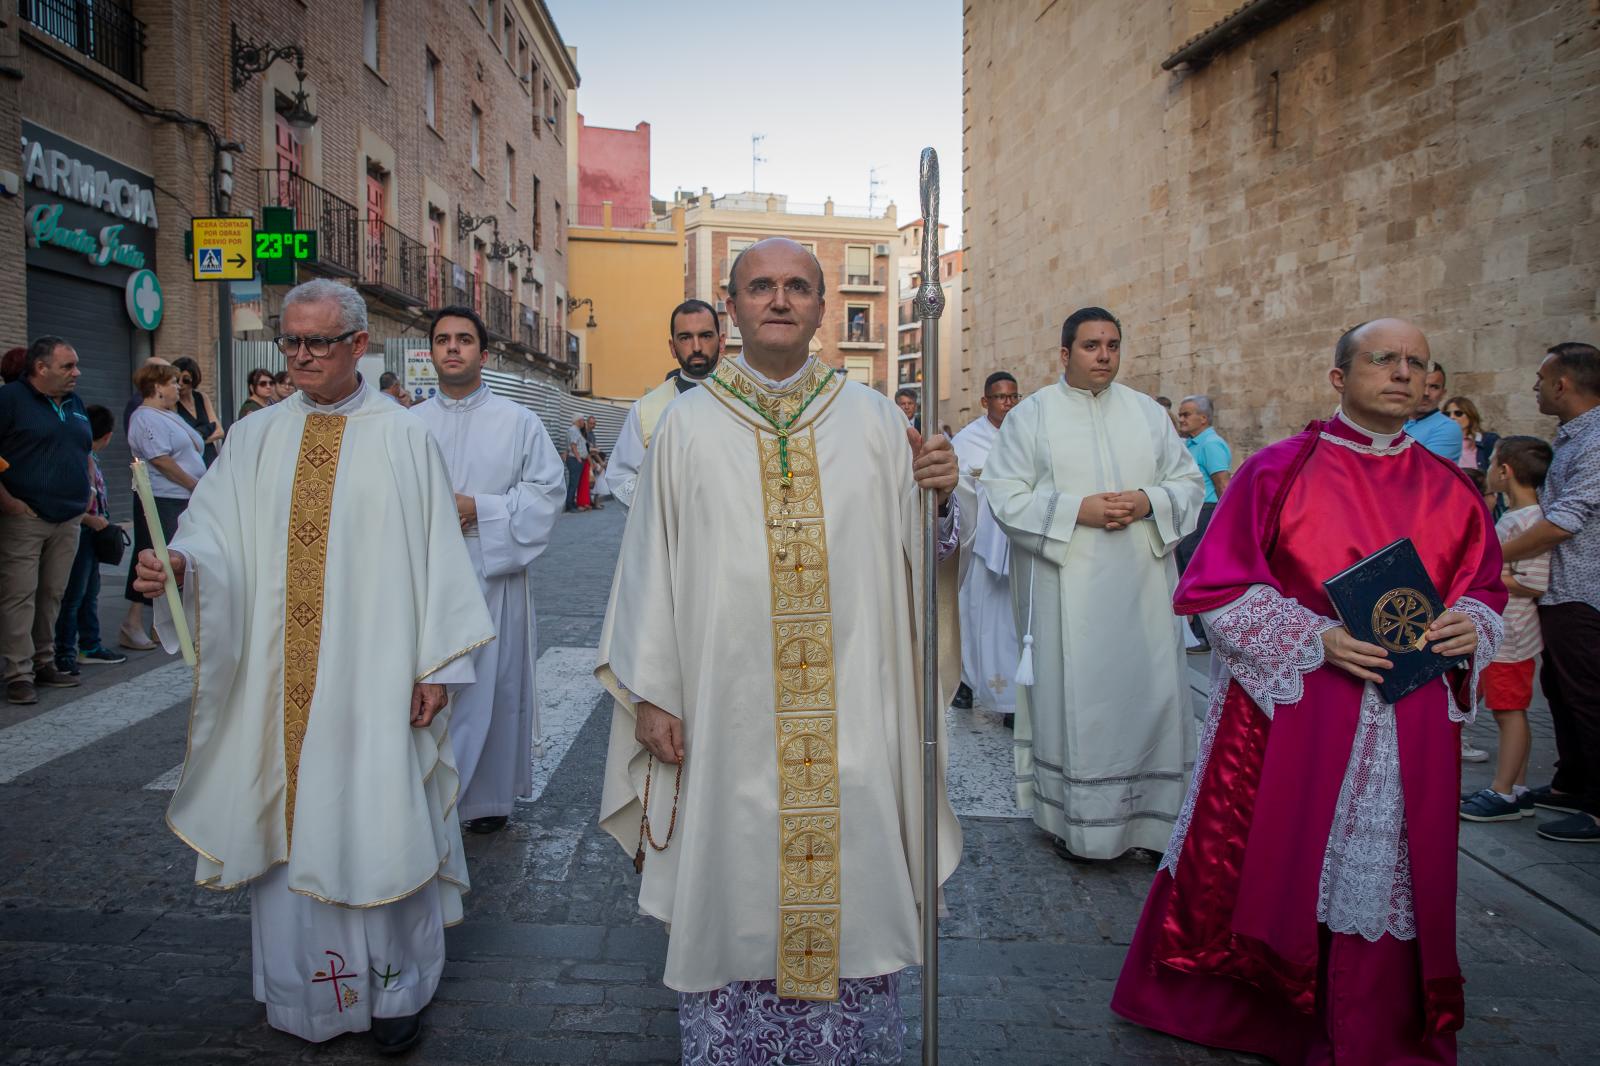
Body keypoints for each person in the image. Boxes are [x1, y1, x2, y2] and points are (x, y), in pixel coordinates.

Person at [597, 237, 967, 1062]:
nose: (779, 299)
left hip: (855, 708)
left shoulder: (875, 420)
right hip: (724, 710)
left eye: (798, 286)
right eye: (760, 285)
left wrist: (942, 500)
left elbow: (925, 555)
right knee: (733, 879)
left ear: (822, 309)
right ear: (730, 307)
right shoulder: (685, 427)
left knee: (857, 872)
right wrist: (653, 692)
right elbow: (649, 564)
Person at [1112, 318, 1506, 1065]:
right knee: (1271, 854)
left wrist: (1474, 625)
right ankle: (1254, 1014)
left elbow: (1483, 586)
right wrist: (1312, 638)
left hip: (1403, 717)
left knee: (1379, 868)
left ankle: (1374, 1024)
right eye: (1383, 359)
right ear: (1338, 378)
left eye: (1416, 363)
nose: (1402, 372)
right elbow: (1217, 585)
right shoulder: (1278, 471)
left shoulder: (1452, 489)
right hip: (1292, 708)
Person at [132, 278, 493, 1051]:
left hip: (376, 679)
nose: (299, 356)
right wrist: (183, 569)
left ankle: (398, 994)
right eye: (290, 342)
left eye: (316, 342)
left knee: (379, 816)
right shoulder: (257, 438)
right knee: (292, 820)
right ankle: (308, 997)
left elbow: (438, 559)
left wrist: (435, 668)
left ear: (358, 345)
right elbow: (213, 533)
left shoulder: (402, 437)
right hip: (279, 686)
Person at [982, 307, 1204, 862]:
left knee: (1148, 691)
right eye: (1090, 346)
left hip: (1142, 590)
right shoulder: (1031, 416)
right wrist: (1074, 510)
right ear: (1065, 354)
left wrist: (1148, 500)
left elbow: (1188, 483)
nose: (1103, 355)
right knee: (1077, 699)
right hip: (1067, 593)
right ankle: (1077, 825)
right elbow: (1005, 494)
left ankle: (1152, 825)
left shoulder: (1148, 415)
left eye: (1112, 345)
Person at [412, 306, 565, 834]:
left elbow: (548, 491)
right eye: (442, 340)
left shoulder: (518, 421)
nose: (452, 348)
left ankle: (484, 800)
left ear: (484, 352)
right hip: (423, 575)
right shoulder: (407, 425)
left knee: (491, 685)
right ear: (429, 351)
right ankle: (423, 791)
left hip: (491, 568)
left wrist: (481, 509)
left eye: (464, 340)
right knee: (427, 676)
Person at [1500, 341, 1600, 843]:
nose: (1534, 387)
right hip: (1560, 592)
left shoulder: (1597, 439)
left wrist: (1495, 557)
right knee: (1561, 692)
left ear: (1562, 384)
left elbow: (1565, 521)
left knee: (1588, 696)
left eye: (1540, 380)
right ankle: (1573, 783)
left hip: (1584, 591)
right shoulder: (1572, 437)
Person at [1461, 436, 1553, 821]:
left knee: (1509, 712)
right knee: (1509, 710)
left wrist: (1488, 575)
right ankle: (1513, 786)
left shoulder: (1528, 522)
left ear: (1505, 471)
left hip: (1512, 635)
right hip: (1509, 631)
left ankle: (1504, 793)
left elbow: (1534, 582)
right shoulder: (1520, 518)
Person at [0, 336, 92, 705]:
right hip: (25, 517)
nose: (76, 373)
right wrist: (9, 503)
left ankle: (44, 662)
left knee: (52, 593)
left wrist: (86, 493)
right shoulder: (10, 401)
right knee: (19, 595)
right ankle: (18, 673)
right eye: (68, 366)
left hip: (68, 516)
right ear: (41, 368)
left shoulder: (74, 402)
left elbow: (82, 447)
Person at [951, 371, 1021, 718]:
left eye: (1013, 397)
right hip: (979, 546)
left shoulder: (1026, 436)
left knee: (1011, 623)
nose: (1007, 403)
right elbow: (954, 493)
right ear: (985, 401)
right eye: (1000, 397)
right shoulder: (966, 441)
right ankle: (964, 680)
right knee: (973, 615)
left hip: (1017, 545)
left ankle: (1010, 699)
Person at [608, 299, 724, 509]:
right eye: (685, 337)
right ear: (672, 347)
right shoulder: (645, 410)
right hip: (672, 531)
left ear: (721, 342)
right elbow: (621, 476)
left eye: (705, 336)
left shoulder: (746, 401)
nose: (696, 347)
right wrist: (665, 508)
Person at [122, 363, 205, 650]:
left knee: (172, 559)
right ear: (157, 387)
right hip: (164, 497)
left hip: (180, 497)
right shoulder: (144, 418)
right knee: (159, 557)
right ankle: (138, 623)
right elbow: (160, 459)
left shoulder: (169, 415)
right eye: (172, 382)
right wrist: (194, 484)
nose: (178, 387)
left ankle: (166, 623)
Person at [53, 404, 126, 676]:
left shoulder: (91, 458)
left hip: (92, 532)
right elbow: (72, 501)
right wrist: (90, 519)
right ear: (107, 436)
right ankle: (64, 652)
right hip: (80, 531)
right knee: (74, 595)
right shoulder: (79, 458)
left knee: (90, 592)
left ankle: (90, 645)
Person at [1174, 395, 1233, 651]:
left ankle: (1204, 636)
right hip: (1193, 513)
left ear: (1203, 418)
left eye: (1187, 414)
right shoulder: (1191, 444)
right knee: (1189, 571)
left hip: (1205, 512)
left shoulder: (1210, 444)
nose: (1182, 419)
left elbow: (1222, 483)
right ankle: (1195, 631)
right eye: (1181, 414)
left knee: (1198, 572)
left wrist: (1225, 522)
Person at [1402, 360, 1462, 460]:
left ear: (1443, 393)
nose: (1426, 393)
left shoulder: (1447, 427)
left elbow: (1425, 470)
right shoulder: (1394, 422)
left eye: (1434, 387)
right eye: (1421, 384)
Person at [172, 357, 224, 467]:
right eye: (177, 380)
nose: (181, 384)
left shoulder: (202, 397)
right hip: (190, 460)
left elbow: (219, 431)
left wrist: (196, 442)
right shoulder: (173, 404)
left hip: (210, 457)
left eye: (186, 380)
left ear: (194, 379)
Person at [1442, 395, 1498, 472]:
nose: (1452, 417)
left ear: (1470, 415)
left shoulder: (1488, 440)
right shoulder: (1439, 441)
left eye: (1458, 413)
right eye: (1447, 414)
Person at [564, 416, 588, 513]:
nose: (584, 422)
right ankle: (570, 505)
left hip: (576, 459)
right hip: (575, 460)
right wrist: (578, 458)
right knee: (573, 483)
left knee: (575, 483)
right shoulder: (573, 430)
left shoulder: (576, 430)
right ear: (578, 420)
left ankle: (572, 503)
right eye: (583, 420)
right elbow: (573, 445)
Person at [583, 415, 605, 510]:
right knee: (590, 482)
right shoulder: (584, 434)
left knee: (595, 480)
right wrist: (597, 463)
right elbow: (588, 451)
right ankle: (593, 502)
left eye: (594, 423)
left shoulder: (592, 434)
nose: (593, 425)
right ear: (587, 423)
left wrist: (600, 462)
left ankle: (594, 502)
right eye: (591, 423)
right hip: (586, 460)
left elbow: (594, 451)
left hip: (591, 460)